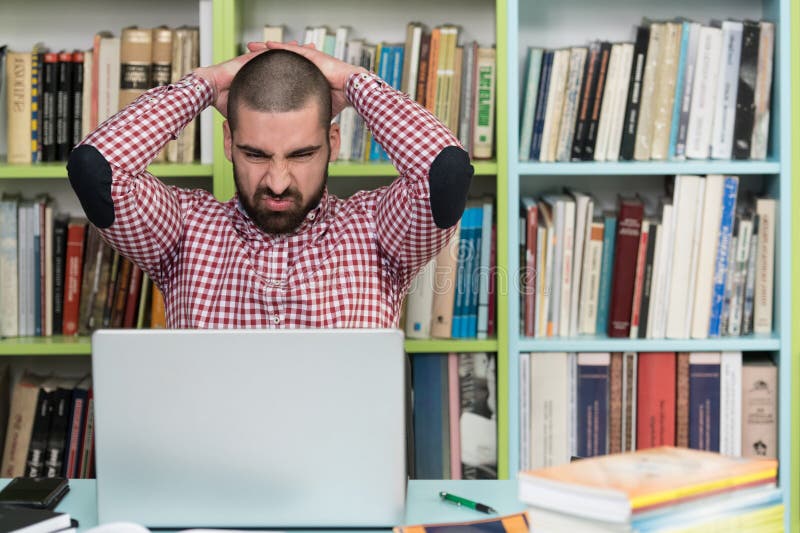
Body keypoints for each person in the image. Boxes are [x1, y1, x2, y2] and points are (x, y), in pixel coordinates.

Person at [66, 41, 473, 328]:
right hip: (213, 452)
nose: (278, 183)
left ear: (333, 143)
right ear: (228, 142)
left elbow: (445, 173)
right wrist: (207, 84)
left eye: (301, 155)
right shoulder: (183, 232)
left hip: (343, 452)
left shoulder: (379, 231)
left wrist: (351, 81)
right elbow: (97, 170)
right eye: (256, 155)